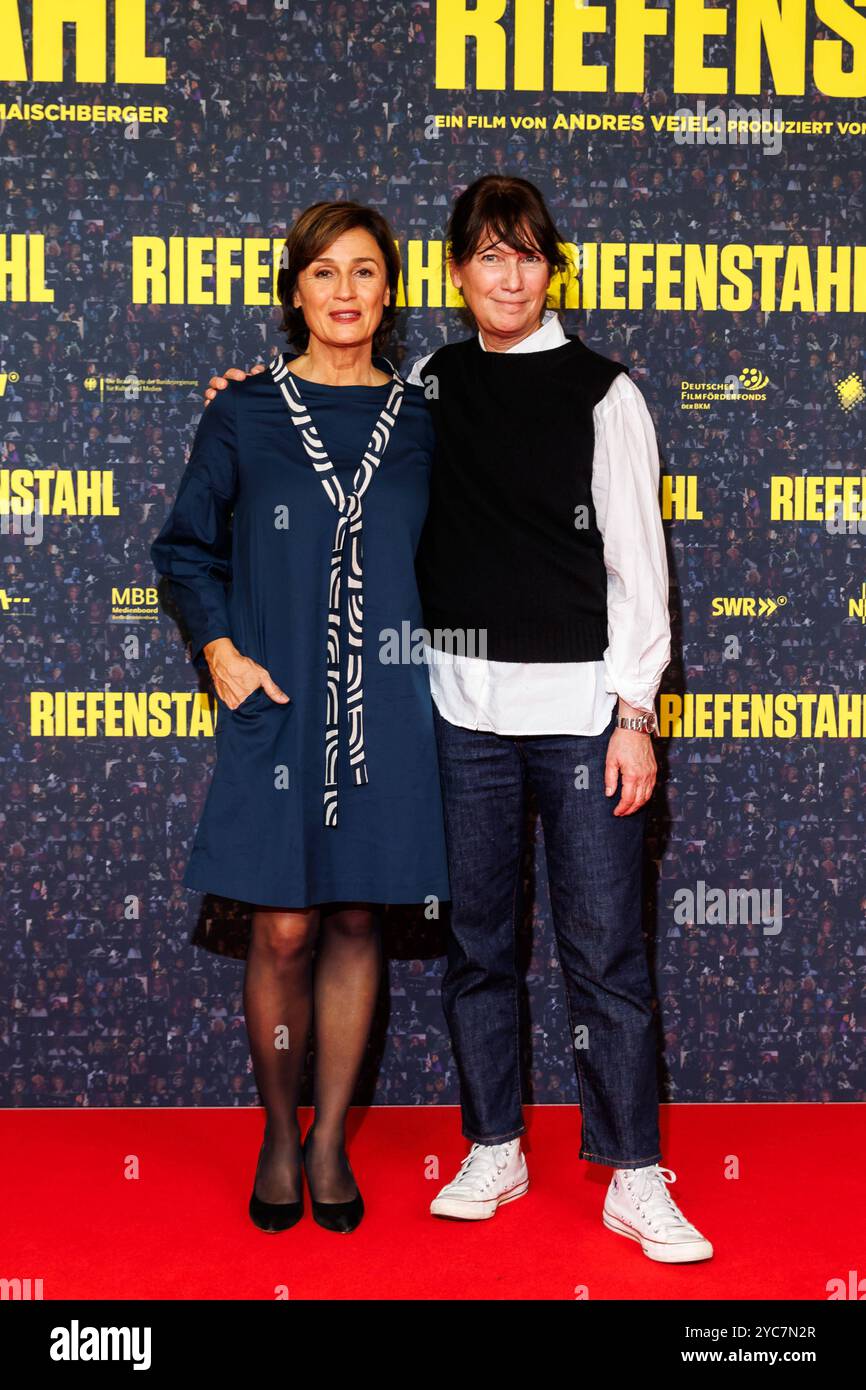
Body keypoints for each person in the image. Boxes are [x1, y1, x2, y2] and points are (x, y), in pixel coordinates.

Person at [204, 174, 713, 1264]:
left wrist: (634, 712)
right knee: (479, 949)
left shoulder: (603, 392)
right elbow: (316, 428)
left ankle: (632, 1171)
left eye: (525, 254)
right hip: (455, 709)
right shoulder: (424, 387)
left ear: (549, 267)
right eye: (486, 255)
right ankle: (494, 1145)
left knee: (603, 955)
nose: (507, 274)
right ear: (454, 275)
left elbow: (640, 564)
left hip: (582, 714)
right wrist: (246, 402)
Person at [151, 201, 450, 1236]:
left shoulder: (423, 418)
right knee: (281, 927)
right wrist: (221, 651)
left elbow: (472, 552)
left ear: (388, 293)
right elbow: (183, 549)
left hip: (389, 712)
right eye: (322, 273)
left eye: (364, 272)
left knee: (361, 915)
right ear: (294, 294)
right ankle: (280, 1132)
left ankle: (329, 1143)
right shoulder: (241, 413)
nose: (343, 292)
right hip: (276, 710)